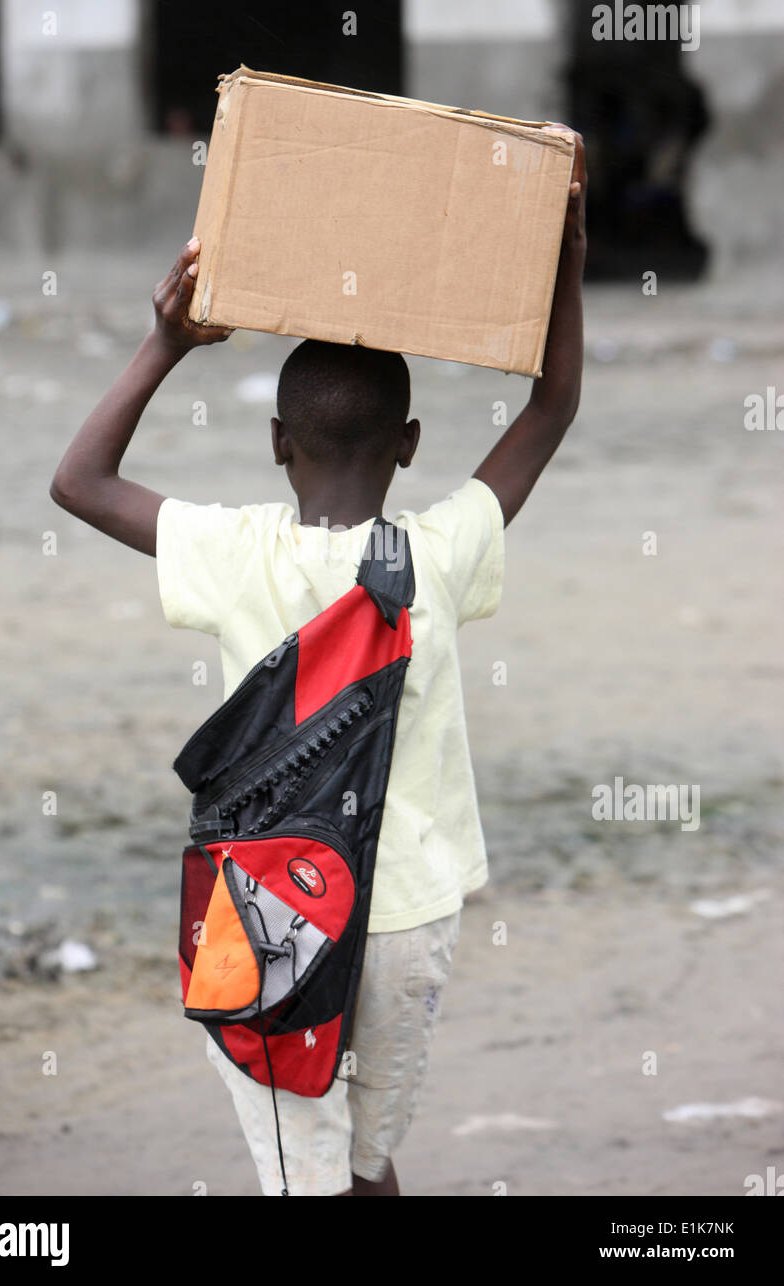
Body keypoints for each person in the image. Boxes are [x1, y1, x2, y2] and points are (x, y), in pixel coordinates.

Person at [50, 133, 587, 1197]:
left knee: (310, 1174)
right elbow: (551, 405)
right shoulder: (437, 553)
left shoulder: (233, 552)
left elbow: (78, 479)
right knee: (364, 1160)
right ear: (410, 443)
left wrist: (165, 343)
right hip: (408, 921)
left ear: (274, 442)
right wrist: (561, 255)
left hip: (272, 911)